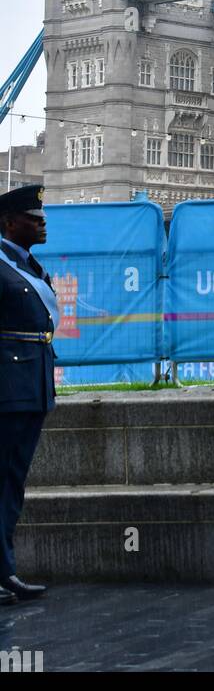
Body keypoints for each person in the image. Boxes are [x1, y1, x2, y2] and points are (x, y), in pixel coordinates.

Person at [0, 184, 57, 604]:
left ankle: (3, 571)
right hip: (7, 389)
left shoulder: (28, 266)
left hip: (31, 387)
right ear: (8, 223)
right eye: (33, 218)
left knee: (12, 484)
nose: (42, 223)